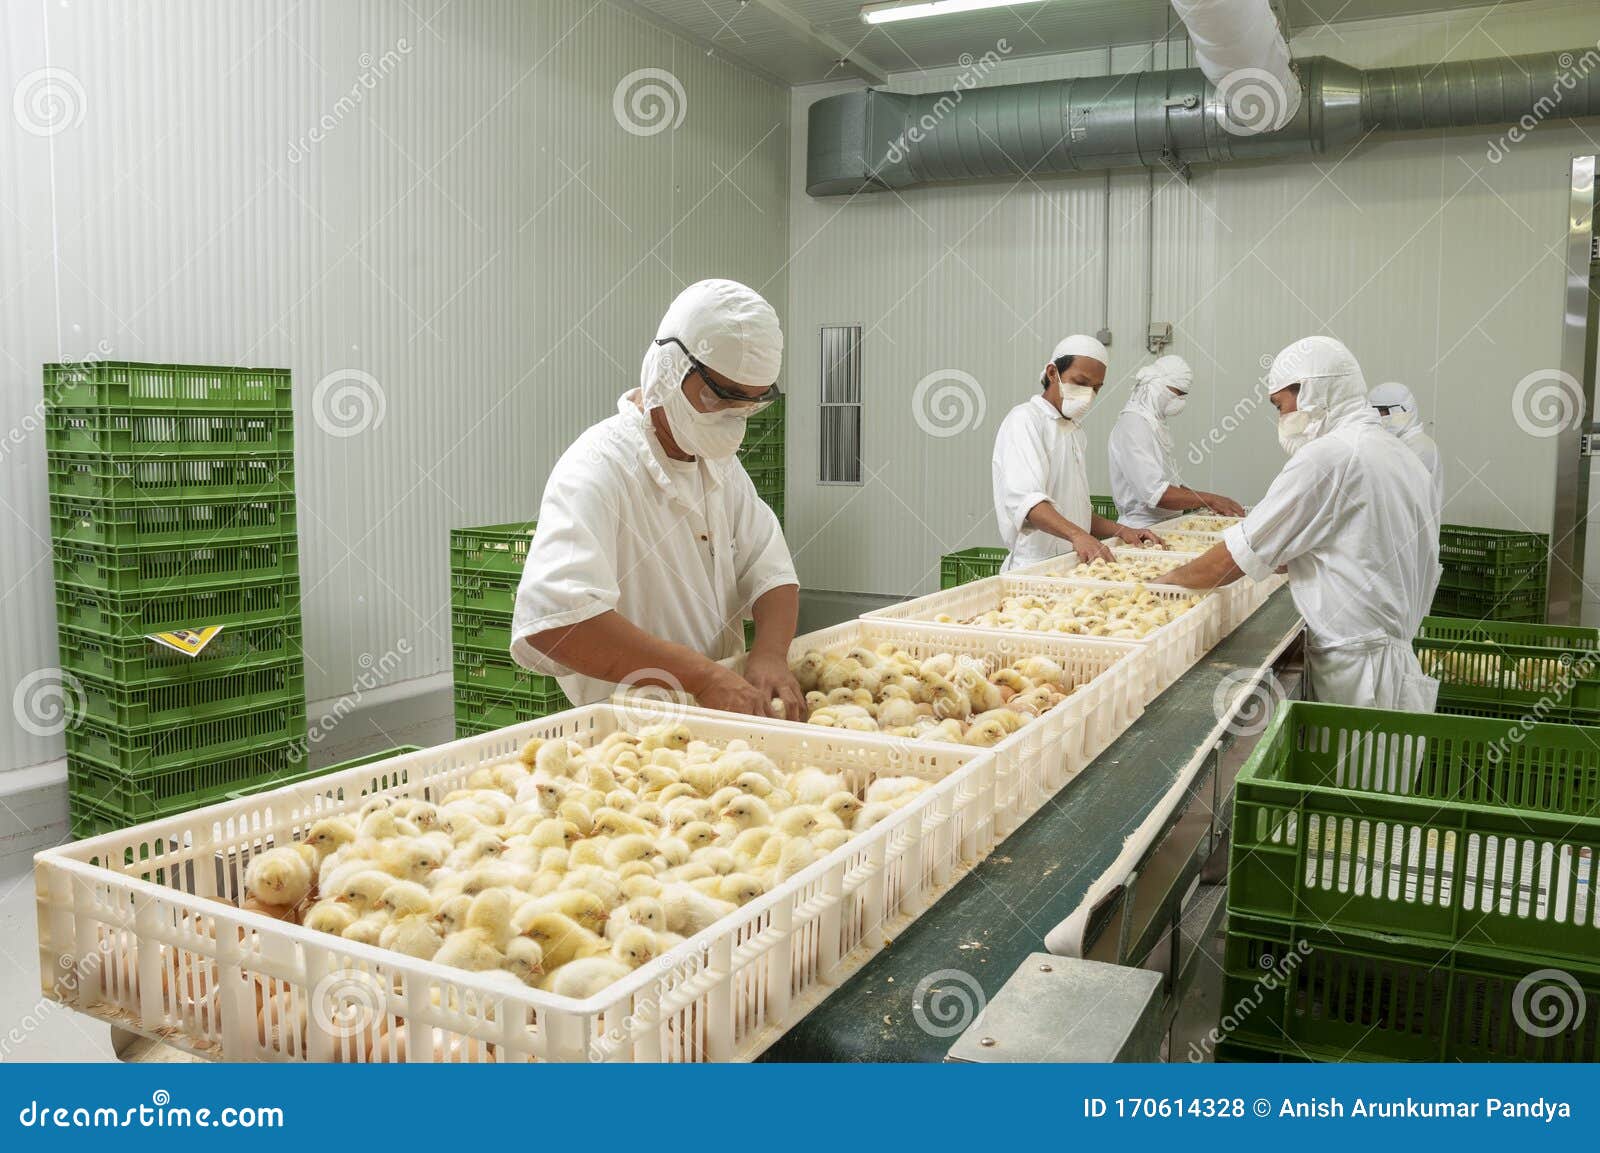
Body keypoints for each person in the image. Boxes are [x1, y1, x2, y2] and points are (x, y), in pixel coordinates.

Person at [509, 278, 805, 720]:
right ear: (669, 367)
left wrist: (770, 654)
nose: (732, 418)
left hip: (721, 710)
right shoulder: (599, 466)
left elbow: (771, 569)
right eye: (716, 397)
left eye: (749, 405)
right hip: (632, 733)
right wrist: (703, 677)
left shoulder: (717, 465)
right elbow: (557, 623)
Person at [1163, 337, 1442, 711]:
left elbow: (1234, 557)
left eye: (1281, 405)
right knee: (1379, 768)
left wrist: (1163, 584)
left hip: (1356, 674)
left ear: (1312, 391)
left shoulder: (1330, 456)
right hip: (1389, 661)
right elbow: (1359, 545)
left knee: (1349, 770)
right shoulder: (1395, 453)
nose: (1281, 418)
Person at [991, 334, 1163, 572]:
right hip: (1034, 568)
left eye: (1096, 388)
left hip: (1071, 564)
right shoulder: (1025, 420)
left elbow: (1076, 514)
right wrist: (1077, 535)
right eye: (1080, 382)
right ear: (1053, 373)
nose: (1088, 394)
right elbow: (1027, 504)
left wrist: (1122, 530)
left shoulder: (1073, 431)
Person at [1107, 354, 1247, 527]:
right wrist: (1209, 500)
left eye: (1183, 395)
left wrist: (1207, 500)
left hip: (1162, 524)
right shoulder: (1134, 424)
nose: (1180, 401)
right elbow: (1155, 494)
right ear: (1156, 386)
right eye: (1176, 393)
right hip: (1141, 528)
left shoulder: (1152, 424)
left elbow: (1168, 484)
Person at [1369, 381, 1443, 517]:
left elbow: (1392, 491)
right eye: (1374, 412)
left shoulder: (1420, 447)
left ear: (1404, 409)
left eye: (1383, 411)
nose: (1379, 418)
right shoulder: (1395, 443)